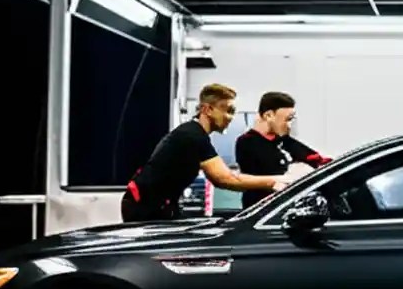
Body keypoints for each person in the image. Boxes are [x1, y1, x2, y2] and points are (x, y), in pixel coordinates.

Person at [121, 83, 287, 222]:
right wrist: (275, 181)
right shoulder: (192, 136)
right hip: (145, 208)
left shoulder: (195, 133)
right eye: (227, 110)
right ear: (207, 110)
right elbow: (225, 179)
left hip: (158, 205)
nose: (230, 117)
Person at [235, 91, 331, 209]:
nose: (289, 126)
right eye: (287, 119)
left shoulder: (285, 141)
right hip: (264, 211)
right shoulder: (247, 142)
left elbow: (315, 159)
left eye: (291, 120)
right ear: (269, 115)